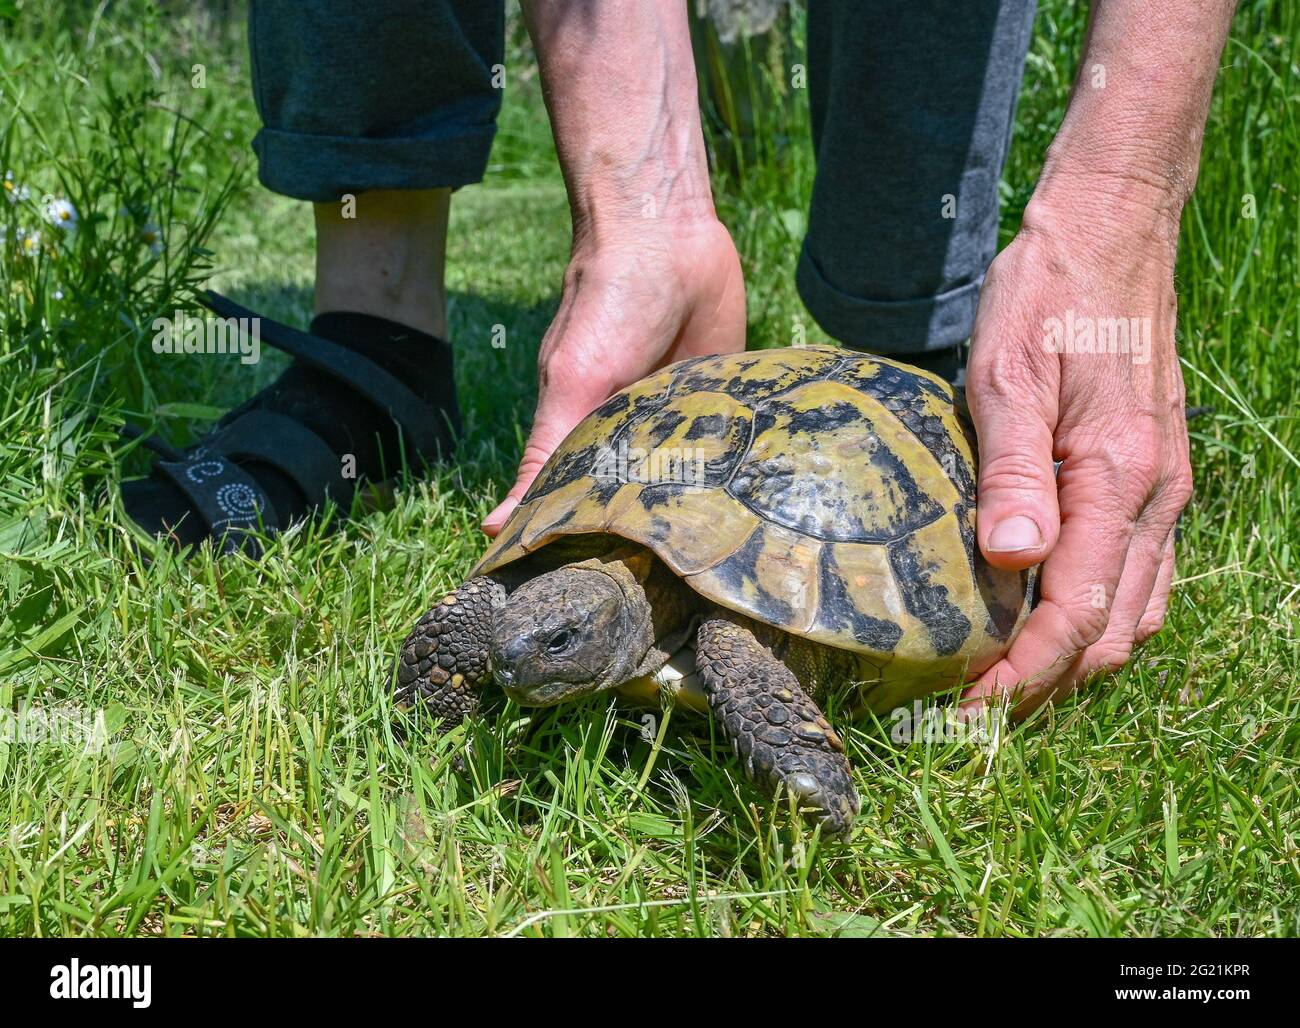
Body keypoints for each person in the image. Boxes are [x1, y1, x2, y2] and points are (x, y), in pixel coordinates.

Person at [120, 0, 1236, 715]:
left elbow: (731, 643)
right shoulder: (550, 610)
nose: (524, 644)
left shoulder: (731, 654)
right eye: (547, 627)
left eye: (554, 633)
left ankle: (916, 325)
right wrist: (641, 205)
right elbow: (505, 616)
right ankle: (374, 338)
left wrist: (1117, 206)